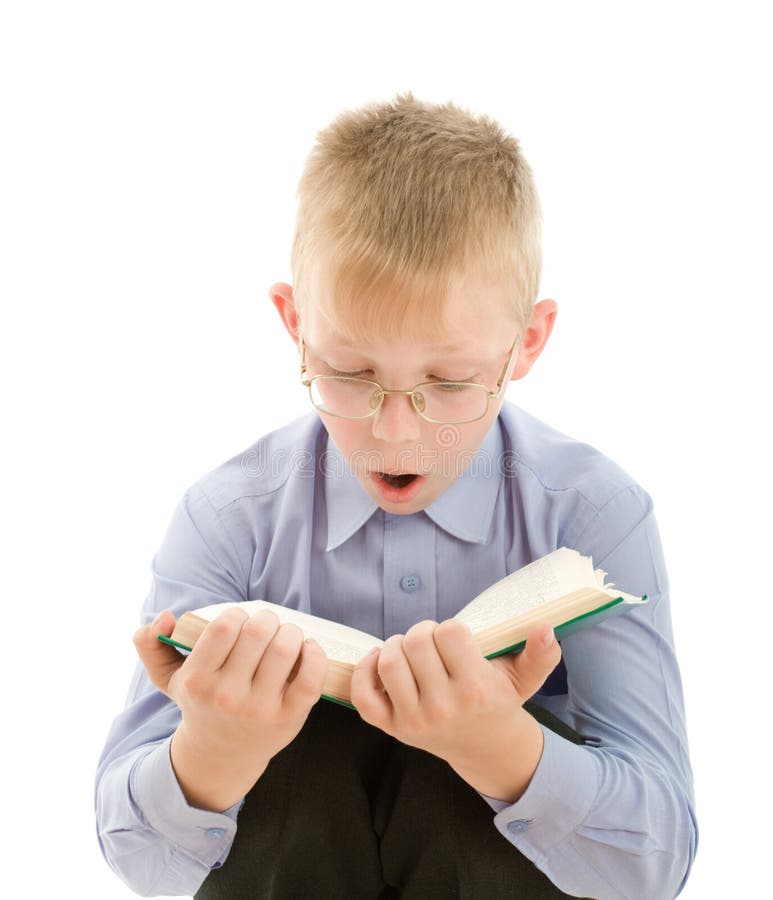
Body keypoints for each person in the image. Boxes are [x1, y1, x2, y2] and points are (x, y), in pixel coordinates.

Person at [95, 93, 697, 898]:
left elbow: (657, 862)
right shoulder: (228, 516)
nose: (396, 431)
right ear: (294, 324)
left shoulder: (594, 513)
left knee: (487, 769)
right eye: (348, 373)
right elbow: (133, 859)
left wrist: (499, 749)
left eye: (448, 382)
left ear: (526, 343)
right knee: (296, 758)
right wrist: (212, 755)